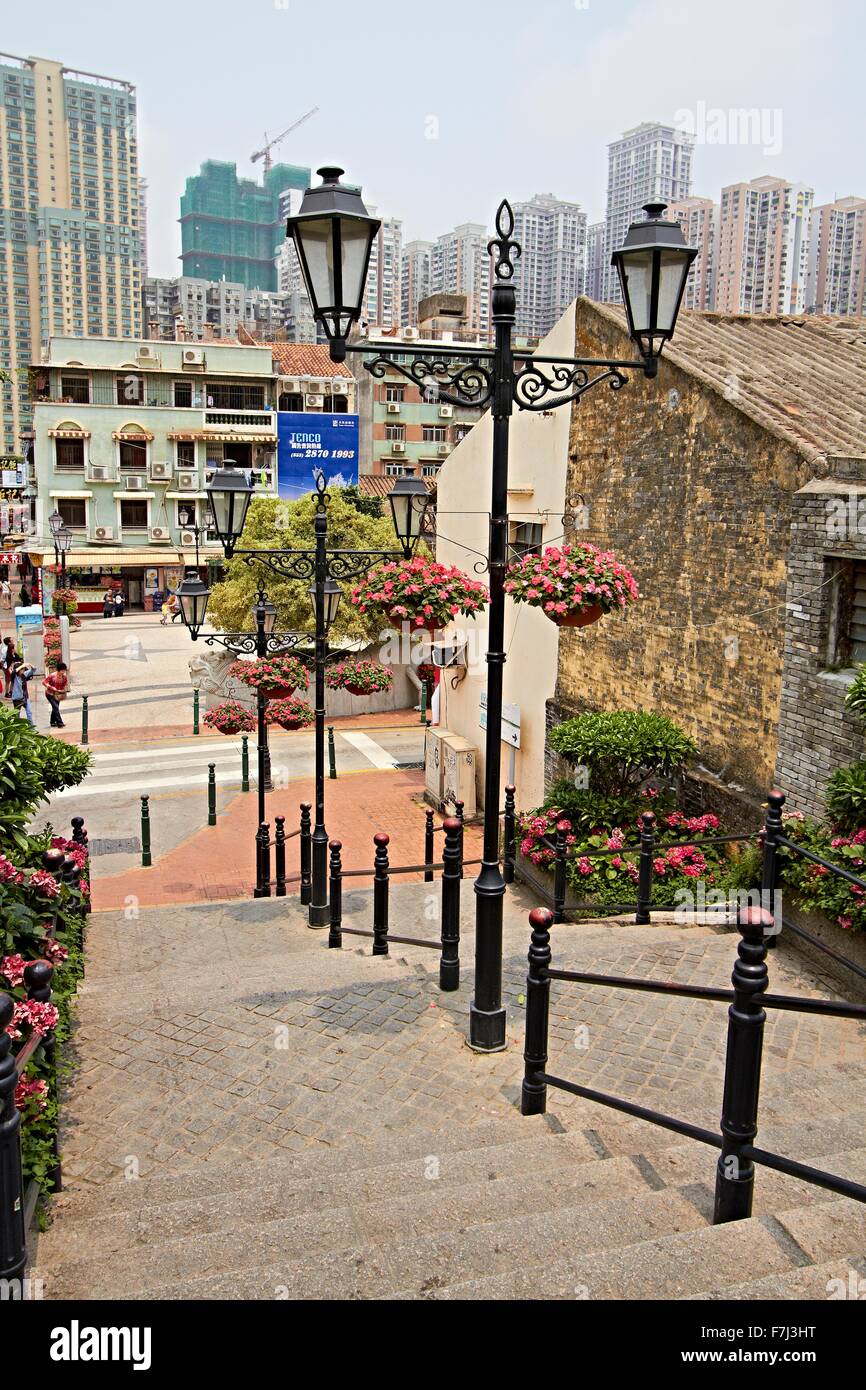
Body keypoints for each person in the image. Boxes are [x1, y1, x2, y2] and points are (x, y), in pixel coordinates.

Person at [43, 660, 68, 729]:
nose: (63, 672)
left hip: (58, 694)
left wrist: (62, 691)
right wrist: (52, 688)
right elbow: (44, 682)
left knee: (55, 708)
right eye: (62, 671)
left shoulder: (64, 677)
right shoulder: (52, 676)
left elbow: (64, 685)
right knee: (56, 707)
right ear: (58, 670)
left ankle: (52, 722)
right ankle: (60, 723)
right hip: (50, 694)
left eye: (64, 671)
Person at [10, 661, 35, 726]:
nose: (23, 670)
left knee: (29, 712)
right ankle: (17, 728)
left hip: (25, 697)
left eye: (23, 669)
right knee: (17, 715)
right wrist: (22, 665)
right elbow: (13, 672)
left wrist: (30, 664)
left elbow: (34, 670)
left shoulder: (24, 674)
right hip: (17, 699)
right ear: (19, 669)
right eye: (22, 669)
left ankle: (31, 728)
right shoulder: (14, 677)